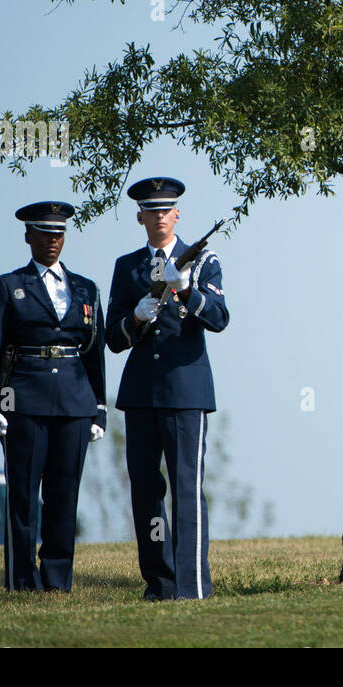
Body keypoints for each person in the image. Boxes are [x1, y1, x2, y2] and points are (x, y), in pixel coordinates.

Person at [105, 178, 228, 600]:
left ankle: (192, 584)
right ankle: (160, 581)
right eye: (150, 210)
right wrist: (135, 319)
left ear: (177, 214)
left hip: (185, 389)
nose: (159, 216)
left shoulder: (204, 259)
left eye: (166, 209)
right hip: (141, 392)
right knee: (145, 489)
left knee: (187, 487)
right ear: (140, 217)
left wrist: (187, 290)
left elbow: (219, 317)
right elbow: (113, 338)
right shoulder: (128, 266)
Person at [0, 201, 106, 591]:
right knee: (23, 497)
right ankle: (20, 579)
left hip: (74, 399)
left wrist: (98, 410)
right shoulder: (9, 285)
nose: (52, 240)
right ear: (28, 235)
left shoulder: (85, 287)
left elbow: (95, 352)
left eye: (59, 233)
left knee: (64, 496)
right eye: (45, 233)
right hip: (24, 400)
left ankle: (57, 579)